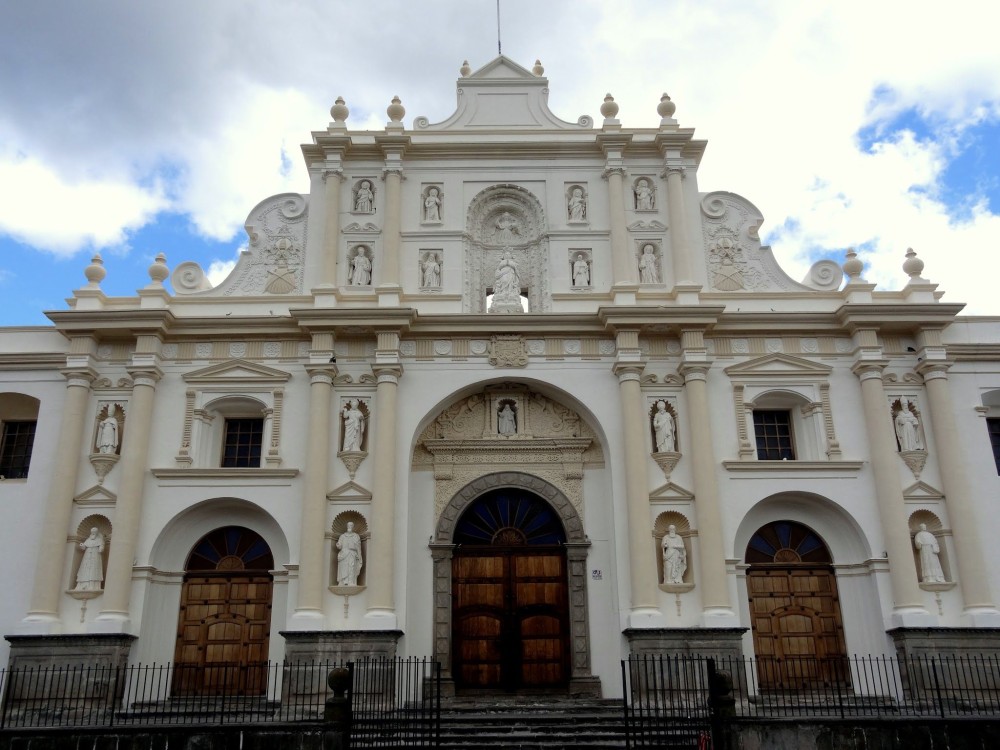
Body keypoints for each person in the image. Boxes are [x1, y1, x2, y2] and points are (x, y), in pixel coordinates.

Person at [336, 522, 363, 586]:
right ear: (347, 526)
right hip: (344, 554)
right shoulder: (342, 536)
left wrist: (354, 546)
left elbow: (358, 546)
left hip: (352, 553)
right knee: (344, 567)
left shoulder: (356, 536)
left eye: (351, 525)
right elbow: (339, 544)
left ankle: (351, 581)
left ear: (353, 527)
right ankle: (342, 581)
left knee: (351, 567)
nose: (349, 526)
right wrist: (338, 545)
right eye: (348, 525)